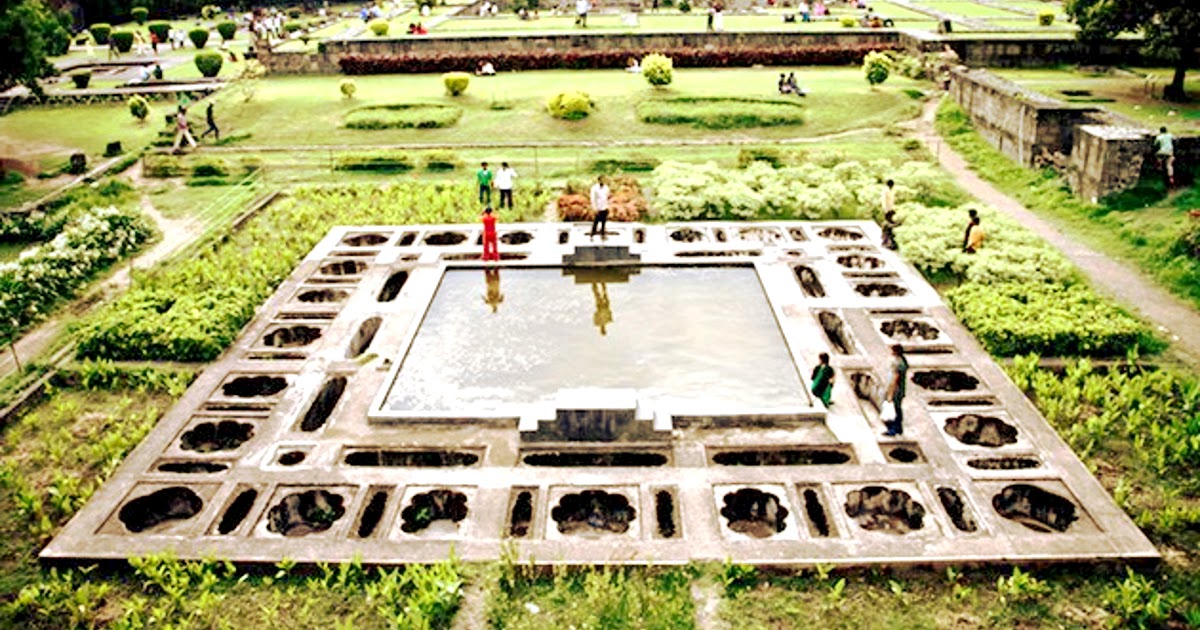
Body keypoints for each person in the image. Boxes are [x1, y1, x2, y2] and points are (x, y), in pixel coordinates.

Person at [881, 344, 907, 437]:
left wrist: (890, 393)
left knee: (893, 410)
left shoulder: (898, 364)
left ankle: (893, 429)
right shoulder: (903, 361)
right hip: (900, 390)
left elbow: (895, 379)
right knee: (898, 409)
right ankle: (899, 428)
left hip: (896, 390)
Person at [589, 175, 610, 240]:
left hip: (604, 206)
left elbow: (607, 197)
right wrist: (594, 208)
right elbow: (592, 198)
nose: (603, 181)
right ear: (599, 180)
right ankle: (592, 234)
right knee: (596, 222)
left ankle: (603, 234)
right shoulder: (594, 188)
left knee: (604, 222)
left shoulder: (606, 187)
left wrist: (607, 206)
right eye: (601, 180)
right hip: (598, 207)